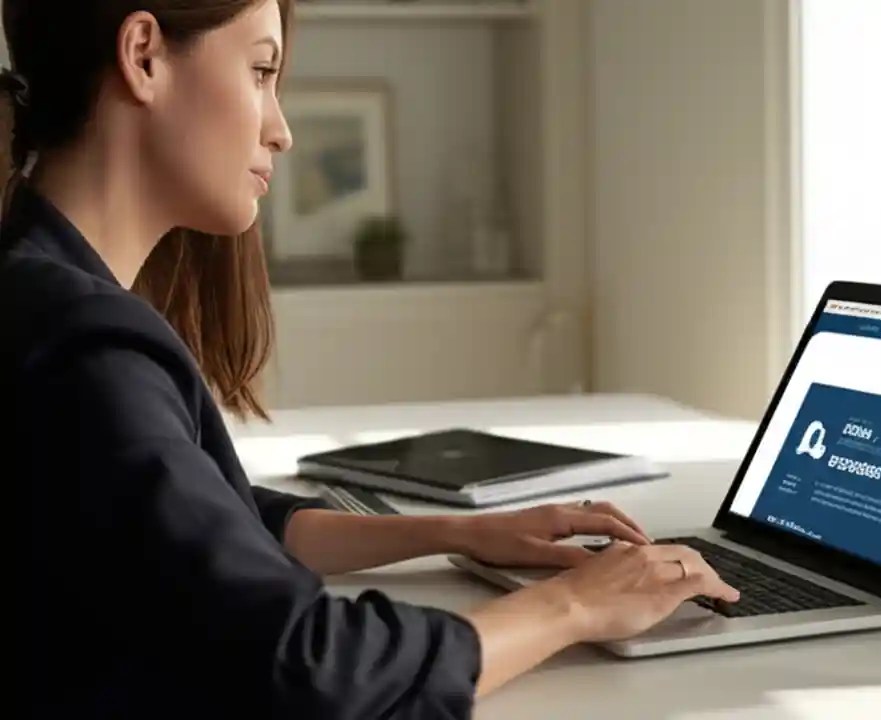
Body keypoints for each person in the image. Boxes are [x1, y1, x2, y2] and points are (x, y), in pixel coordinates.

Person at [1, 1, 739, 716]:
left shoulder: (37, 292)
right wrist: (574, 605)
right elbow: (311, 670)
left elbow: (207, 520)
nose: (282, 130)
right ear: (143, 56)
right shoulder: (86, 347)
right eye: (261, 72)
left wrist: (454, 531)